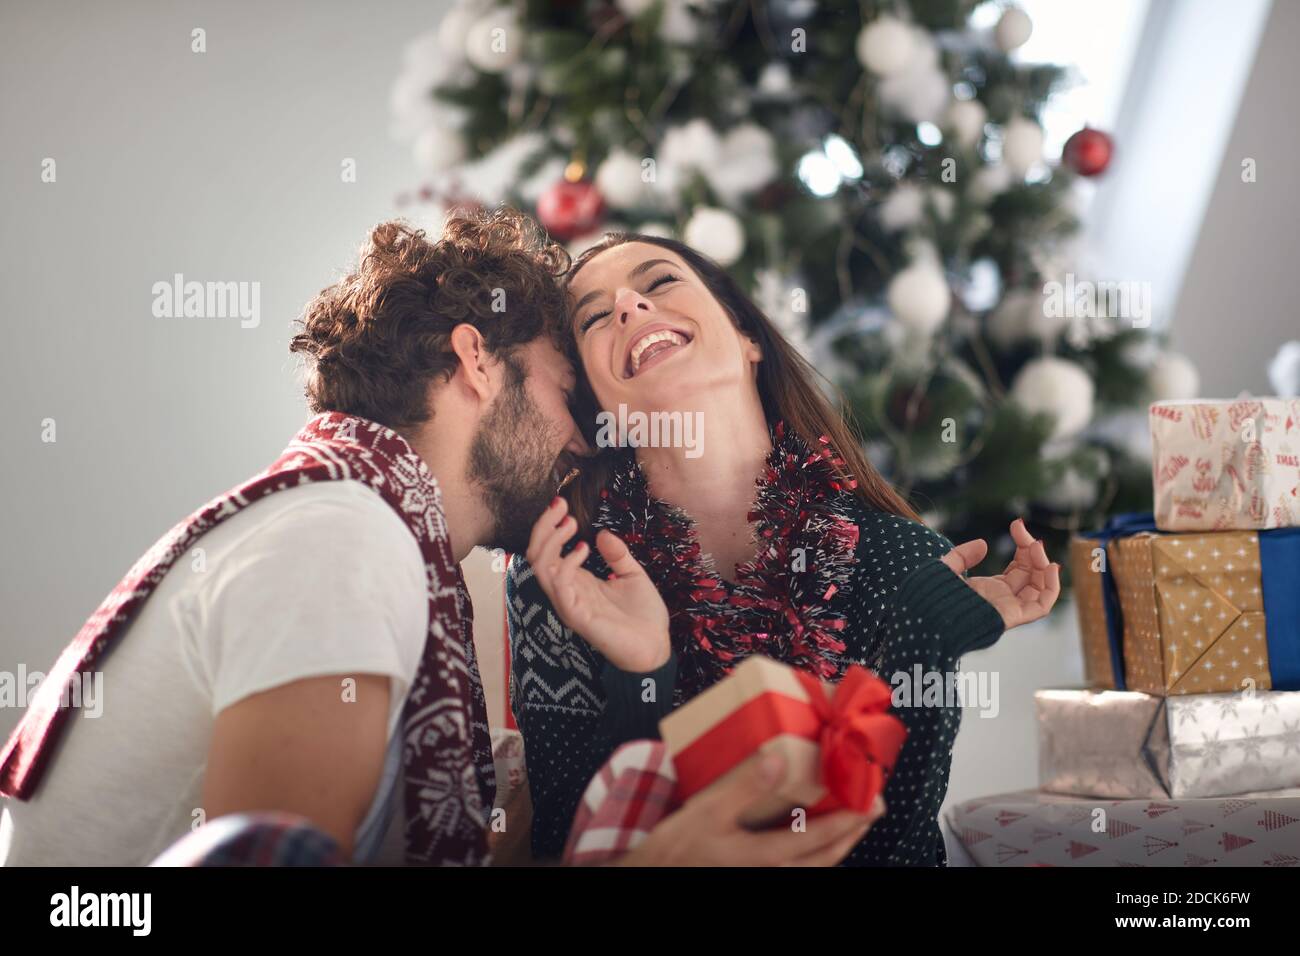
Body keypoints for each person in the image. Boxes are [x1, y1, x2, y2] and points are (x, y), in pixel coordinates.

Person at [0, 209, 878, 867]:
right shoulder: (340, 541)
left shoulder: (364, 533)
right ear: (476, 359)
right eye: (565, 392)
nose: (583, 439)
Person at [508, 230, 1061, 865]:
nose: (630, 306)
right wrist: (641, 675)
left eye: (659, 282)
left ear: (746, 338)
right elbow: (566, 849)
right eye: (596, 317)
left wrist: (926, 636)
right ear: (596, 401)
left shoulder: (899, 560)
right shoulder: (563, 571)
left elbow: (892, 853)